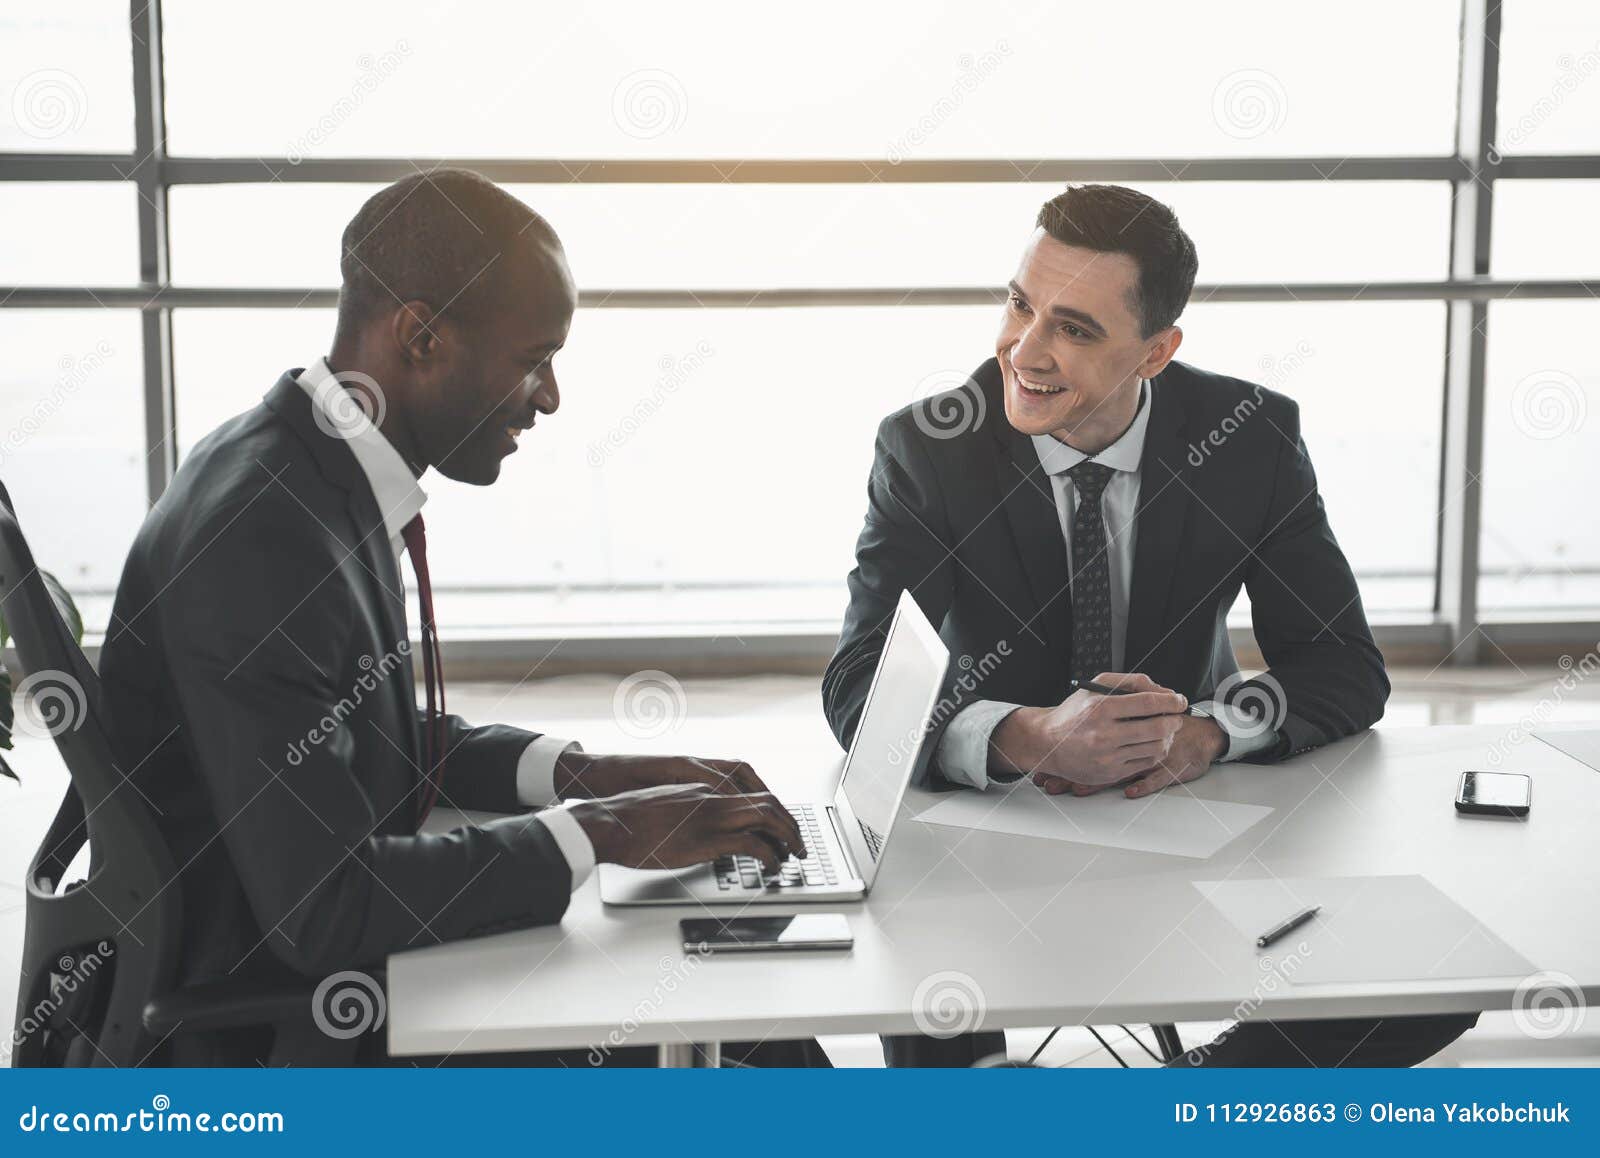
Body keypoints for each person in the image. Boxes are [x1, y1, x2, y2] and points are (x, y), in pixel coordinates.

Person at [98, 169, 822, 1067]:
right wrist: (603, 833)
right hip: (278, 1038)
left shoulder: (293, 465)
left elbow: (360, 732)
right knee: (741, 1029)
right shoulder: (268, 539)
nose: (550, 396)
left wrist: (582, 776)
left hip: (306, 982)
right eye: (533, 358)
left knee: (740, 1006)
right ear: (422, 336)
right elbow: (326, 907)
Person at [821, 183, 1477, 1068]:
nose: (1026, 349)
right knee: (929, 994)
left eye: (1076, 328)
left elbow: (1342, 666)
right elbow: (859, 684)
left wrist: (1209, 733)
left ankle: (1189, 1099)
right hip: (989, 817)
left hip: (1189, 811)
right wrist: (1025, 736)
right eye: (1021, 305)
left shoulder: (1250, 438)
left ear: (1157, 351)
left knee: (1439, 972)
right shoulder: (930, 448)